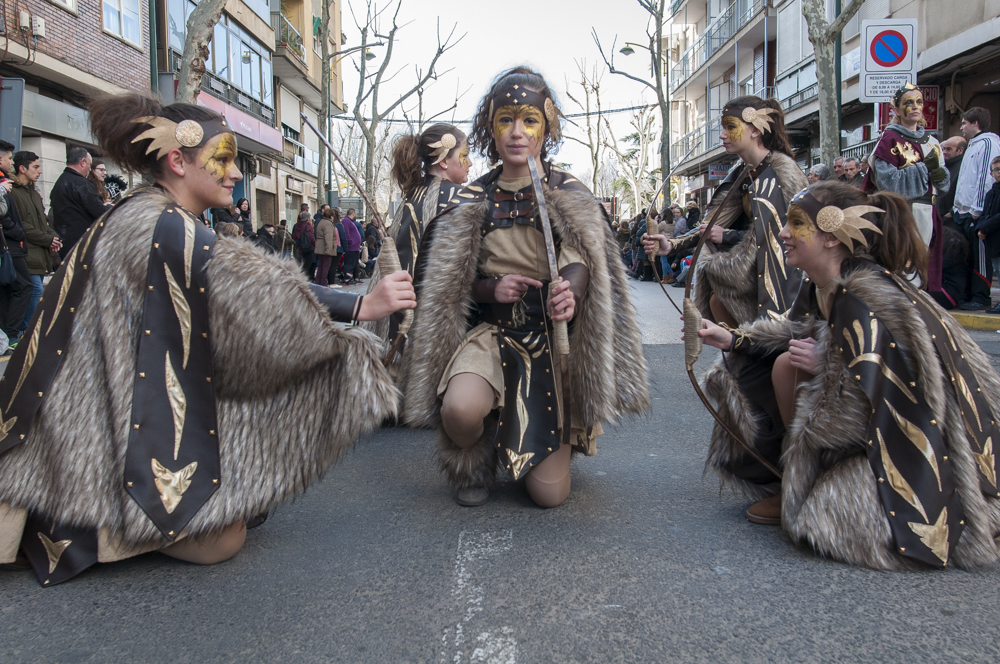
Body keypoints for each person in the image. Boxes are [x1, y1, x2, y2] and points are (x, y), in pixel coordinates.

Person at [0, 92, 416, 586]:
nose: (235, 173)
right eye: (222, 159)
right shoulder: (162, 225)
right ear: (177, 160)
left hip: (87, 419)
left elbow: (235, 278)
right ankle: (107, 520)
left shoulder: (143, 211)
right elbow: (255, 296)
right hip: (86, 447)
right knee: (224, 540)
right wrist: (362, 307)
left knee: (230, 522)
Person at [693, 180, 1000, 570]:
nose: (784, 233)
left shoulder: (861, 297)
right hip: (884, 425)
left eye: (797, 223)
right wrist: (733, 338)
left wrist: (828, 367)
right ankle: (793, 479)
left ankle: (803, 482)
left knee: (825, 511)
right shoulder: (824, 284)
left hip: (916, 447)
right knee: (775, 360)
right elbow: (796, 331)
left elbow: (870, 407)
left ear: (833, 237)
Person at [400, 67, 649, 509]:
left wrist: (569, 291)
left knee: (549, 496)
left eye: (529, 120)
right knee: (459, 411)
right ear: (490, 129)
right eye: (505, 121)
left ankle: (537, 438)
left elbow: (584, 259)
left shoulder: (570, 191)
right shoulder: (468, 200)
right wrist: (490, 288)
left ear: (546, 126)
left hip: (552, 342)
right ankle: (475, 455)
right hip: (492, 337)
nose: (517, 132)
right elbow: (446, 287)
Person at [645, 95, 808, 329]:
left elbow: (780, 242)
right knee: (717, 305)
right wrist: (672, 245)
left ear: (755, 130)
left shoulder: (780, 175)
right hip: (751, 286)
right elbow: (710, 228)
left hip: (776, 295)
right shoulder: (743, 172)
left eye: (730, 127)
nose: (722, 134)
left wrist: (728, 236)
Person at [362, 124, 471, 359]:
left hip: (396, 315)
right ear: (443, 161)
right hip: (432, 323)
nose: (469, 163)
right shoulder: (459, 198)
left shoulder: (412, 194)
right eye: (465, 155)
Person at [862, 82, 950, 297]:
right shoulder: (889, 140)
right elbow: (886, 182)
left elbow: (942, 182)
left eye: (919, 102)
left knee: (922, 267)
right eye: (908, 103)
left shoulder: (933, 142)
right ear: (897, 109)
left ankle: (918, 307)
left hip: (928, 211)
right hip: (903, 212)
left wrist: (942, 177)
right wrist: (923, 169)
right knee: (903, 264)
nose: (916, 106)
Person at [953, 107, 1000, 310]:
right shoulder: (972, 145)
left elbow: (984, 178)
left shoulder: (988, 143)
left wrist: (976, 210)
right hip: (962, 211)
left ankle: (981, 296)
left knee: (981, 257)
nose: (961, 127)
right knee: (968, 256)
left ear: (975, 123)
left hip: (975, 212)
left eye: (964, 123)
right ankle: (970, 293)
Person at [9, 152, 61, 334]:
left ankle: (28, 329)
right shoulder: (14, 192)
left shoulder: (33, 192)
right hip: (27, 252)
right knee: (35, 290)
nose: (40, 171)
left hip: (40, 253)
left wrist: (53, 237)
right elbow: (22, 224)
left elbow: (44, 221)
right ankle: (25, 330)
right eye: (35, 167)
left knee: (35, 291)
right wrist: (47, 239)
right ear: (22, 169)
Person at [0, 145, 32, 351]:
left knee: (8, 289)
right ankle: (11, 333)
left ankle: (6, 335)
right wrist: (17, 232)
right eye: (9, 158)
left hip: (10, 245)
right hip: (9, 245)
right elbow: (3, 214)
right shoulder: (4, 184)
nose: (11, 162)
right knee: (25, 286)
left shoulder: (7, 182)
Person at [50, 147, 108, 257]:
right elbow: (99, 211)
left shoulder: (59, 182)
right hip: (81, 243)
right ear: (82, 162)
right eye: (89, 165)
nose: (90, 169)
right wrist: (109, 207)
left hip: (64, 243)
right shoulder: (82, 184)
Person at [974, 157, 1000, 313]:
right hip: (993, 240)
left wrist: (984, 228)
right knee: (997, 270)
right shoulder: (991, 192)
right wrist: (980, 229)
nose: (998, 173)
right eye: (995, 170)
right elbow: (985, 214)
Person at [937, 136, 967, 222]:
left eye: (949, 149)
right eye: (943, 149)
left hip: (953, 217)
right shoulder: (943, 165)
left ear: (960, 150)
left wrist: (951, 212)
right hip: (941, 214)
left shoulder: (963, 167)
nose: (944, 152)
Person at [314, 207, 340, 287]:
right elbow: (328, 238)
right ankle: (323, 283)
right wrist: (329, 250)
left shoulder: (321, 222)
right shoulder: (328, 224)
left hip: (320, 247)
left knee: (321, 266)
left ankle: (318, 282)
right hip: (325, 248)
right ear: (331, 216)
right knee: (326, 266)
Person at [340, 207, 363, 285]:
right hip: (351, 247)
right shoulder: (346, 221)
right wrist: (350, 241)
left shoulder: (350, 221)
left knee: (353, 263)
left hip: (354, 247)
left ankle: (350, 277)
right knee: (349, 263)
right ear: (353, 213)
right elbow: (346, 233)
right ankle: (347, 278)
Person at [292, 210, 316, 280]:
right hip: (308, 248)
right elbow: (311, 237)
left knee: (301, 263)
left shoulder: (297, 225)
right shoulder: (307, 226)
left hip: (300, 248)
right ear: (308, 218)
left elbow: (294, 236)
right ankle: (306, 278)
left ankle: (301, 277)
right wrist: (315, 244)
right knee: (308, 264)